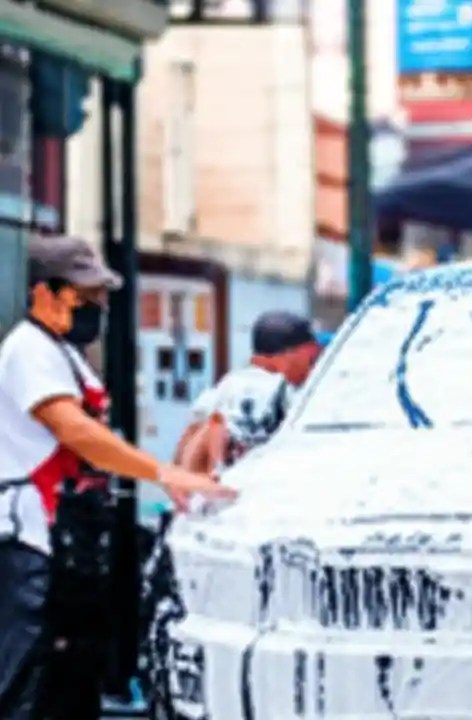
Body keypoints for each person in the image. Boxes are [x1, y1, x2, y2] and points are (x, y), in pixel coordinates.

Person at [0, 235, 234, 719]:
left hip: (66, 544)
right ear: (45, 293)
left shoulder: (63, 354)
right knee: (32, 685)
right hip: (32, 544)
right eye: (84, 296)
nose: (97, 307)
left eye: (100, 296)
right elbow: (74, 429)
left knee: (70, 684)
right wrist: (163, 472)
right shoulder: (29, 350)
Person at [142, 310, 320, 709]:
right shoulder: (265, 391)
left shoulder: (222, 388)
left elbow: (188, 452)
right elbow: (225, 440)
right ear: (288, 354)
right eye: (310, 357)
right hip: (232, 535)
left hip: (194, 532)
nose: (313, 367)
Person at [179, 311, 320, 471]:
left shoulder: (230, 384)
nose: (313, 361)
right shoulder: (266, 386)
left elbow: (193, 430)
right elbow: (195, 431)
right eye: (308, 353)